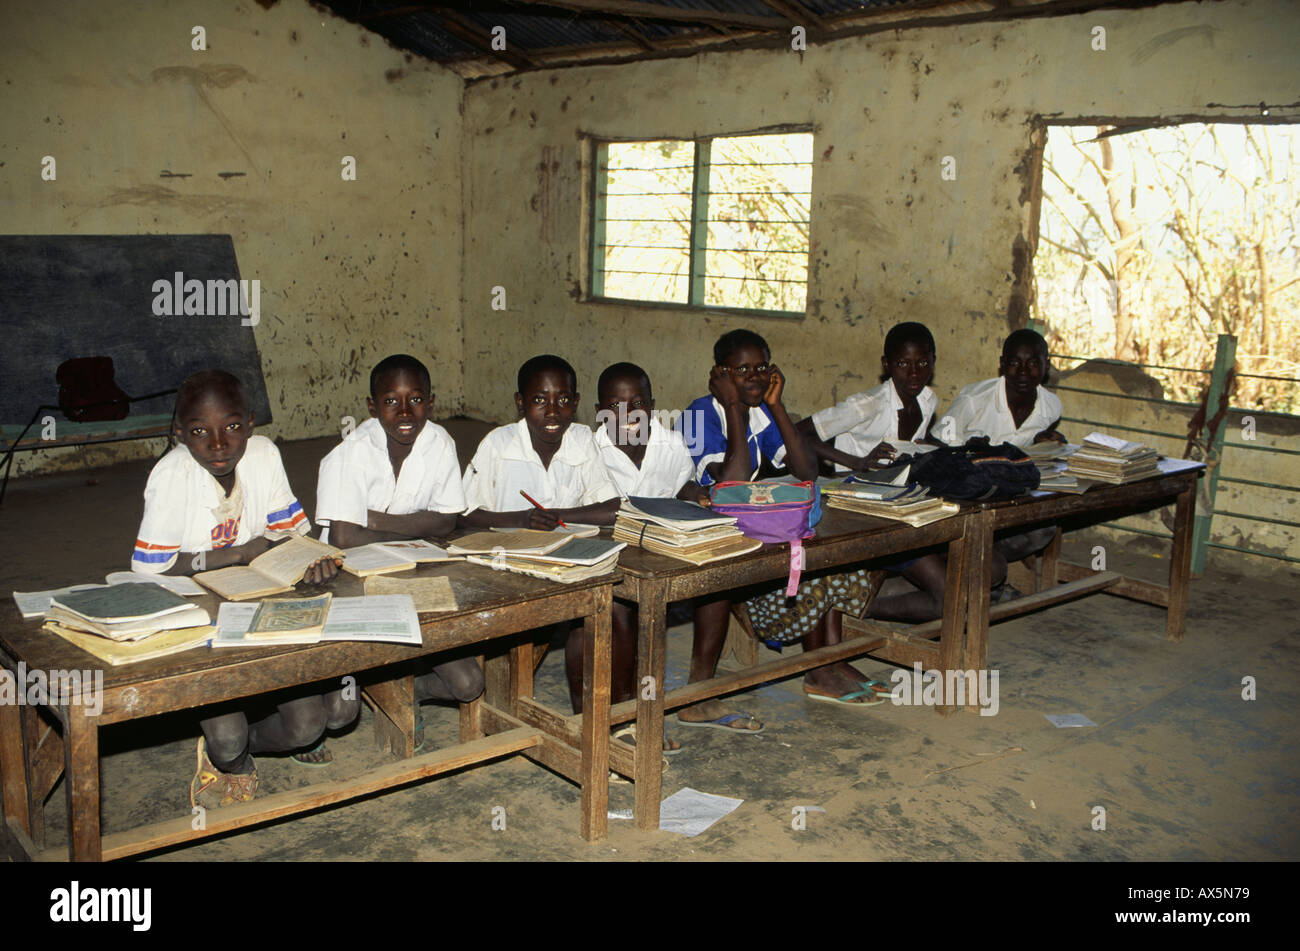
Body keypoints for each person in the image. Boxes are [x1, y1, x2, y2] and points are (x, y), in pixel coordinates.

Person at [131, 370, 356, 809]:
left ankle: (260, 739)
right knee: (228, 742)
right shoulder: (171, 475)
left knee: (310, 725)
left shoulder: (264, 455)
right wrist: (238, 552)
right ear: (179, 433)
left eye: (232, 427)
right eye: (200, 431)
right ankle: (231, 760)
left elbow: (289, 533)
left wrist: (311, 558)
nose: (218, 444)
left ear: (251, 425)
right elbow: (152, 567)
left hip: (260, 601)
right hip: (202, 619)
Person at [315, 354, 483, 743]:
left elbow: (447, 522)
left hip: (415, 573)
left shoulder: (439, 442)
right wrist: (416, 530)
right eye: (391, 401)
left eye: (417, 399)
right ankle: (381, 683)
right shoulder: (350, 454)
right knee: (340, 711)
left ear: (432, 401)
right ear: (372, 407)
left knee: (469, 684)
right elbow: (343, 538)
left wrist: (373, 520)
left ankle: (403, 688)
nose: (406, 411)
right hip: (349, 583)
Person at [674, 329, 819, 730]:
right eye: (742, 369)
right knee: (720, 572)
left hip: (737, 521)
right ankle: (698, 691)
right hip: (687, 523)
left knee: (815, 545)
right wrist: (734, 406)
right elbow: (730, 483)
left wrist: (777, 406)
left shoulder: (761, 409)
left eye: (761, 368)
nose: (755, 377)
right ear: (720, 374)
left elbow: (807, 471)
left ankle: (825, 667)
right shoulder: (697, 415)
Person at [588, 362, 698, 750]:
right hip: (610, 557)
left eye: (637, 404)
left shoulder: (669, 443)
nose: (627, 415)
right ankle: (623, 716)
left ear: (652, 406)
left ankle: (701, 694)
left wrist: (694, 497)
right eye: (615, 406)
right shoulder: (588, 449)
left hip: (662, 552)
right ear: (599, 411)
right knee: (621, 610)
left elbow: (684, 484)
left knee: (718, 584)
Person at [938, 328, 1064, 574]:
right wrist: (969, 450)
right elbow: (935, 444)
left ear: (1046, 366)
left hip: (1009, 490)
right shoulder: (974, 400)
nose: (1024, 372)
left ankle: (976, 565)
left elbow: (1024, 443)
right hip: (965, 490)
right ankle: (972, 568)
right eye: (1015, 363)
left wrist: (1042, 440)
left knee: (1043, 529)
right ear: (1002, 365)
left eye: (1033, 364)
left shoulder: (1051, 407)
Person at [461, 354, 620, 530]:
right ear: (520, 402)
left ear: (575, 403)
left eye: (563, 400)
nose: (552, 412)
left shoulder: (582, 439)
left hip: (566, 549)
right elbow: (463, 515)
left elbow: (613, 509)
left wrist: (556, 516)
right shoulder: (498, 444)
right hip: (508, 550)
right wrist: (522, 520)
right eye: (540, 400)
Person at [796, 321, 940, 473]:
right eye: (903, 364)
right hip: (850, 488)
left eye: (923, 363)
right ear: (886, 364)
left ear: (933, 362)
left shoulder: (928, 401)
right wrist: (857, 462)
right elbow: (796, 432)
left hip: (895, 490)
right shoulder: (867, 405)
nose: (914, 373)